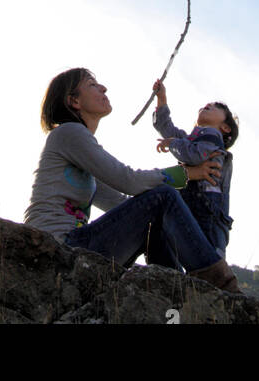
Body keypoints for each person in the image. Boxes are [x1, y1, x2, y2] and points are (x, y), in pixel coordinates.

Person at [24, 67, 240, 291]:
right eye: (92, 84)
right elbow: (128, 180)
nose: (103, 87)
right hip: (59, 245)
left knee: (156, 211)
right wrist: (188, 174)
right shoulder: (69, 133)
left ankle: (175, 292)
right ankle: (221, 286)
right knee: (163, 197)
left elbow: (124, 203)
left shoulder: (81, 152)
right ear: (74, 102)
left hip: (77, 245)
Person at [152, 80, 238, 259]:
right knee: (201, 259)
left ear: (225, 127)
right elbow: (166, 128)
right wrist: (161, 99)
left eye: (216, 107)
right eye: (208, 105)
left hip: (208, 212)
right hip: (194, 208)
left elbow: (195, 155)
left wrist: (173, 143)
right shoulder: (190, 140)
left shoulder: (212, 137)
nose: (209, 105)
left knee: (208, 259)